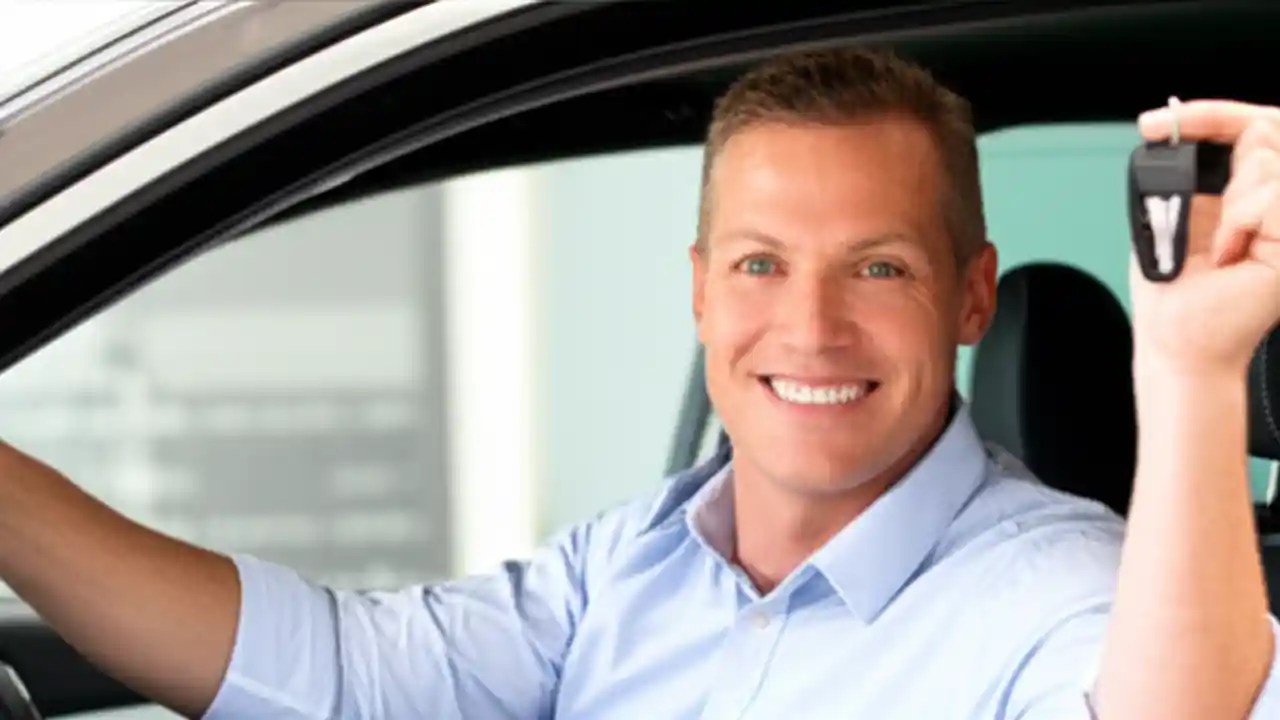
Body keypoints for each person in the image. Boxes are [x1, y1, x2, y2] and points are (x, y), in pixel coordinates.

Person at [0, 46, 1278, 720]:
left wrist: (1187, 373)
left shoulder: (1054, 587)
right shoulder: (632, 570)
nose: (810, 326)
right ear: (700, 292)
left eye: (876, 268)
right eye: (761, 264)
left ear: (968, 297)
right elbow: (332, 677)